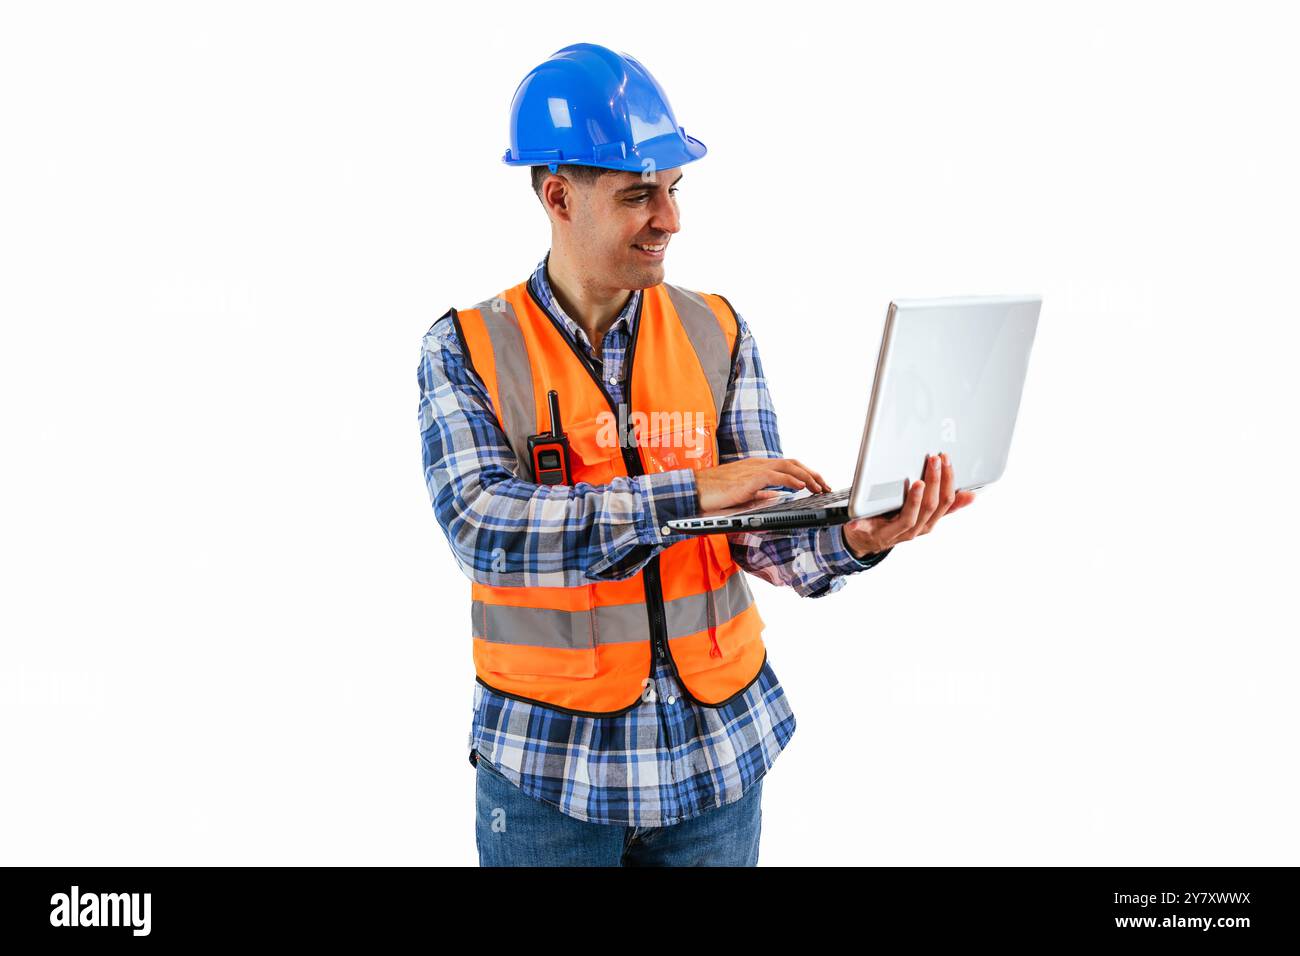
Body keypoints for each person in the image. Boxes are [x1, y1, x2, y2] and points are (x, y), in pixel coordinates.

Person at [417, 42, 974, 867]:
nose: (670, 220)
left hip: (715, 764)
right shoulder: (465, 348)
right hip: (550, 777)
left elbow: (758, 532)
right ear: (560, 196)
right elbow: (485, 531)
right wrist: (689, 491)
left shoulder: (716, 328)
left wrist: (855, 536)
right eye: (639, 194)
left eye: (673, 190)